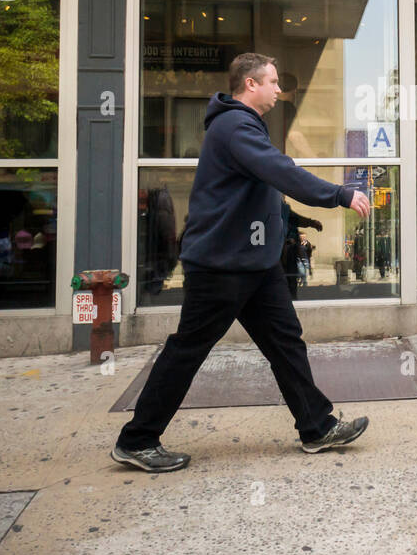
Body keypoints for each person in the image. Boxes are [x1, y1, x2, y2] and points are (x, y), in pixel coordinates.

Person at [112, 53, 372, 471]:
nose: (277, 89)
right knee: (188, 350)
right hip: (222, 264)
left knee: (285, 342)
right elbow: (281, 171)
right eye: (271, 82)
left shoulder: (244, 125)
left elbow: (268, 186)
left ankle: (316, 427)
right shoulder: (235, 126)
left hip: (253, 262)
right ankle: (137, 439)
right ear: (250, 85)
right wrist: (338, 194)